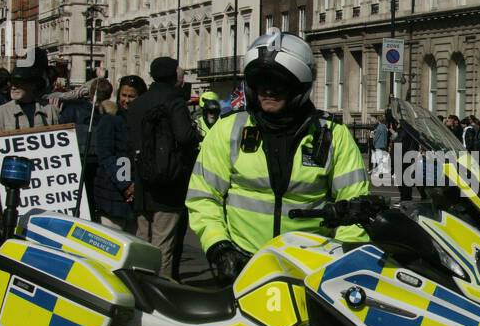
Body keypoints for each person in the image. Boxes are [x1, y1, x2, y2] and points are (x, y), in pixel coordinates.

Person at [186, 30, 369, 283]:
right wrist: (218, 246)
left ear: (299, 87)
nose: (268, 91)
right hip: (243, 264)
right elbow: (203, 196)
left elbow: (356, 207)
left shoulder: (332, 135)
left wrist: (342, 259)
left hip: (311, 268)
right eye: (261, 82)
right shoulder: (229, 130)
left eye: (279, 82)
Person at [0, 49, 98, 197]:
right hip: (11, 188)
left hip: (43, 189)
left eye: (20, 83)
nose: (13, 87)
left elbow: (61, 151)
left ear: (33, 85)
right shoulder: (1, 113)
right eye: (12, 83)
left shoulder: (50, 111)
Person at [127, 57, 201, 279]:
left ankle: (140, 284)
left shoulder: (138, 103)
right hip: (169, 181)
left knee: (142, 239)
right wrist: (196, 134)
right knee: (163, 242)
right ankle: (162, 291)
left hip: (142, 179)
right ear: (173, 78)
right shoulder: (174, 101)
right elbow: (184, 136)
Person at [92, 75, 146, 233]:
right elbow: (106, 156)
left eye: (132, 96)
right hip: (112, 194)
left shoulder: (143, 121)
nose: (127, 100)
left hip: (135, 196)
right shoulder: (110, 120)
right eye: (124, 95)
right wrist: (126, 185)